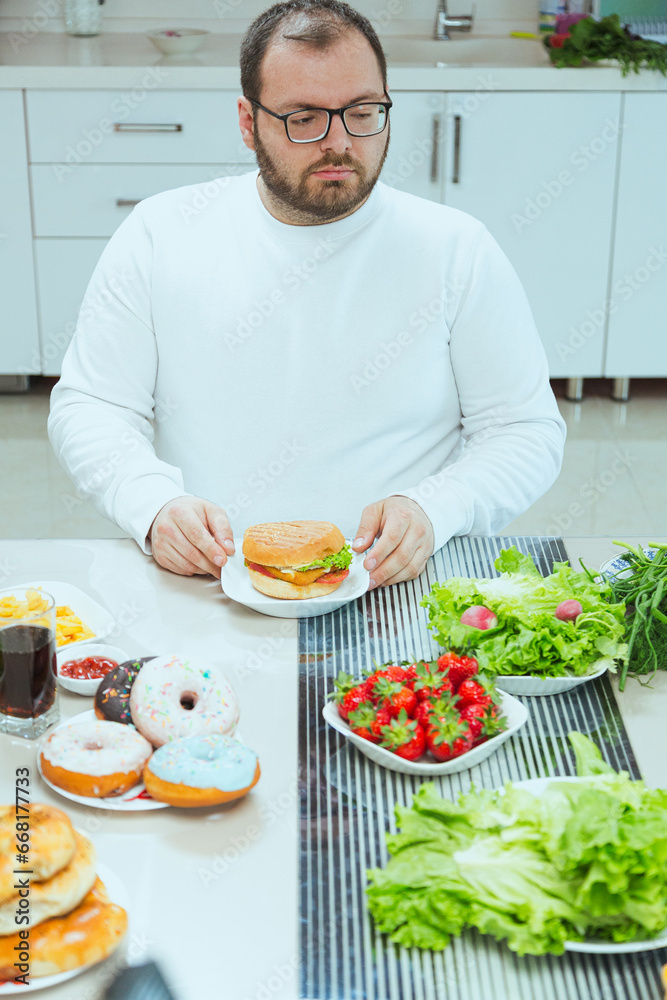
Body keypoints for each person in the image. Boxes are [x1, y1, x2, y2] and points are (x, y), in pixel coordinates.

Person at [48, 0, 566, 589]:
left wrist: (435, 509)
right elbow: (93, 405)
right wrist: (151, 504)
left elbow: (524, 429)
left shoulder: (456, 249)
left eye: (363, 112)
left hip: (392, 585)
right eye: (304, 118)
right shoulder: (160, 233)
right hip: (211, 580)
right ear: (248, 122)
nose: (338, 142)